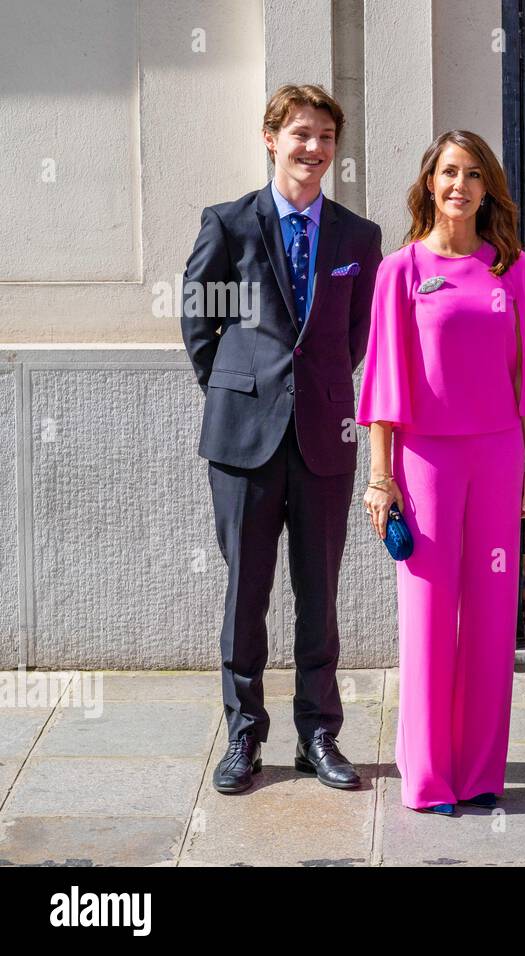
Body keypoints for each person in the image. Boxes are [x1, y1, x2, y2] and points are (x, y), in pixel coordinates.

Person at [182, 83, 382, 796]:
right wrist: (240, 387)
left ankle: (319, 734)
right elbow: (200, 323)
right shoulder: (229, 224)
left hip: (325, 438)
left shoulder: (359, 238)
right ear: (272, 138)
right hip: (243, 440)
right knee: (246, 591)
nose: (314, 148)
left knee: (318, 593)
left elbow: (356, 337)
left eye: (326, 135)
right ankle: (244, 734)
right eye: (301, 133)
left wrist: (315, 391)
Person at [357, 130, 525, 816]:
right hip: (425, 463)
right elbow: (384, 382)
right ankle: (429, 780)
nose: (460, 185)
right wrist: (381, 478)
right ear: (430, 183)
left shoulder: (514, 269)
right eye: (449, 172)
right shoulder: (401, 270)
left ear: (486, 188)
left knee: (494, 619)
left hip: (499, 457)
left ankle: (480, 774)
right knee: (429, 619)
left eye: (473, 174)